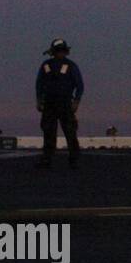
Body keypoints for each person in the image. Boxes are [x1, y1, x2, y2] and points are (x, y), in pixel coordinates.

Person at [36, 38, 83, 170]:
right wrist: (39, 100)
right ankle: (48, 159)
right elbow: (39, 84)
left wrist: (76, 101)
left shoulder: (69, 66)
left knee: (69, 132)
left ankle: (72, 159)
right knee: (50, 132)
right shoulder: (47, 66)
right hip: (52, 104)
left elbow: (80, 85)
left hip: (63, 103)